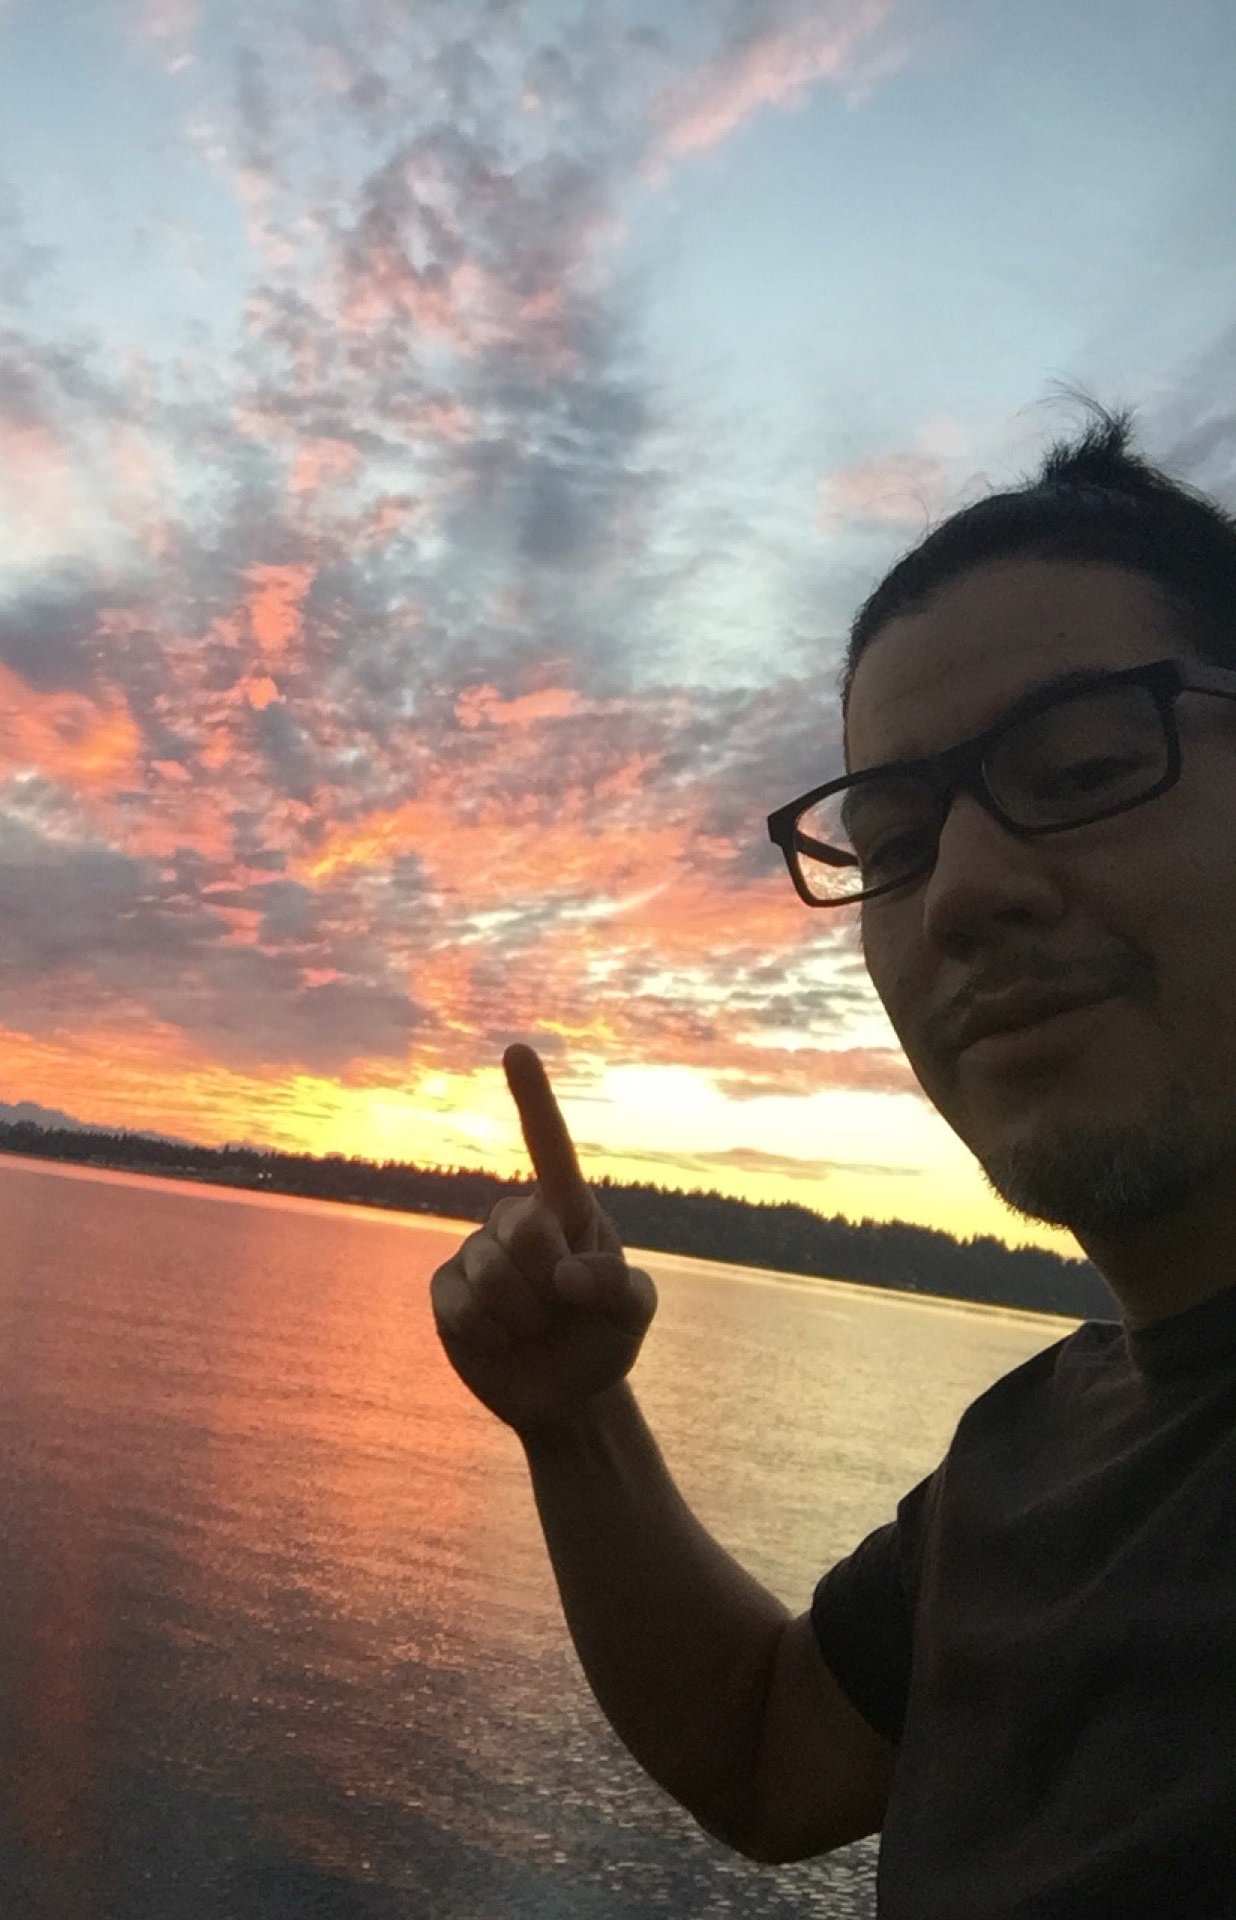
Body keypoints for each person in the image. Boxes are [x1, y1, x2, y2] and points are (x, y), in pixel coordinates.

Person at [429, 397, 1236, 1917]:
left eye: (1079, 767)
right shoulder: (1035, 1445)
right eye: (896, 838)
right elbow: (768, 1751)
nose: (964, 895)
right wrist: (575, 1420)